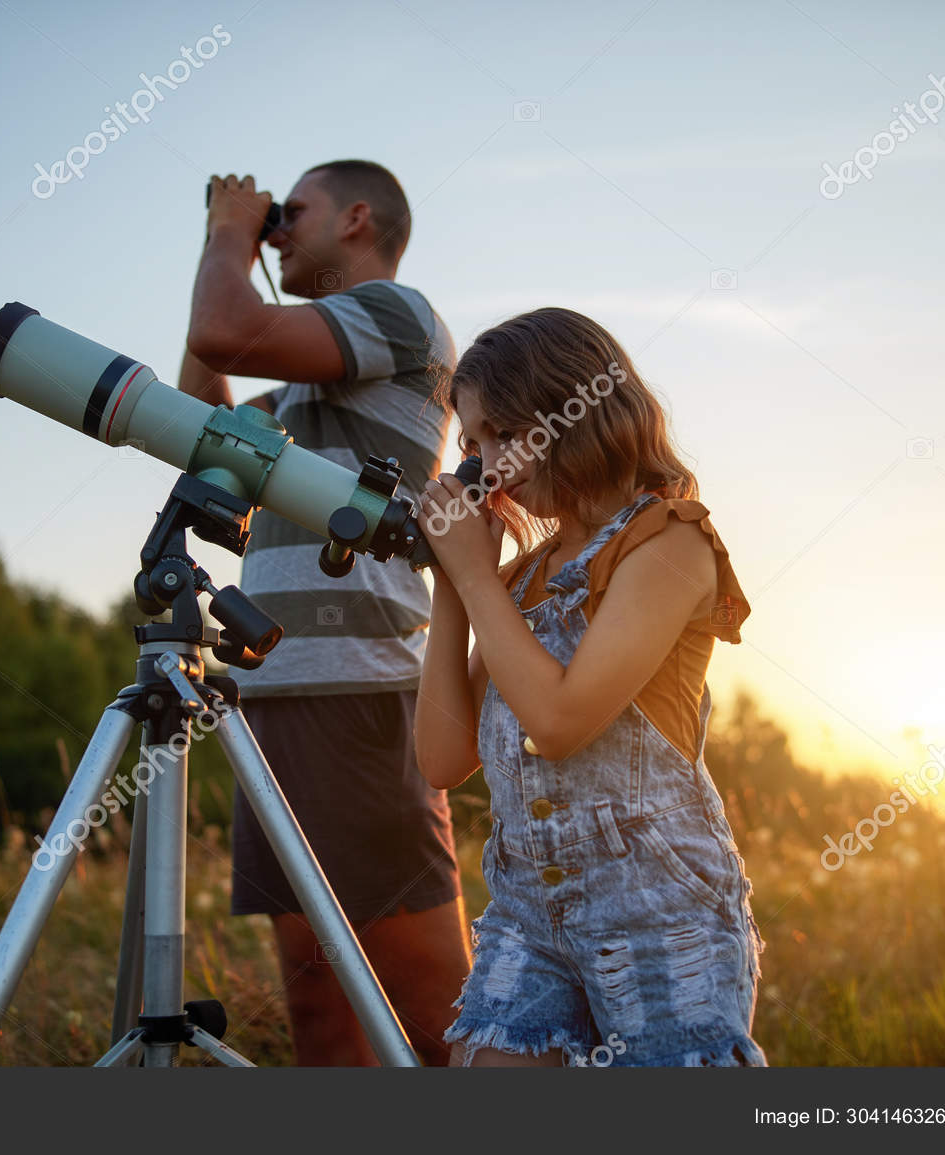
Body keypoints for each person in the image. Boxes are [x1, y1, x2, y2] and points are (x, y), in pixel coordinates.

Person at [413, 306, 766, 1067]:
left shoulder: (669, 540)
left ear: (574, 408)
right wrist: (451, 585)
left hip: (659, 914)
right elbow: (442, 758)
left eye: (503, 433)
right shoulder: (517, 581)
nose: (488, 464)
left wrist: (476, 577)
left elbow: (561, 720)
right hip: (529, 915)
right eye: (472, 445)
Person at [177, 163, 468, 1065]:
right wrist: (217, 241)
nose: (274, 230)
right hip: (276, 703)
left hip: (359, 698)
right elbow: (198, 422)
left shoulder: (399, 313)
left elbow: (225, 329)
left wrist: (232, 234)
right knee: (323, 1020)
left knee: (434, 1015)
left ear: (357, 217)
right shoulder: (300, 402)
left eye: (287, 214)